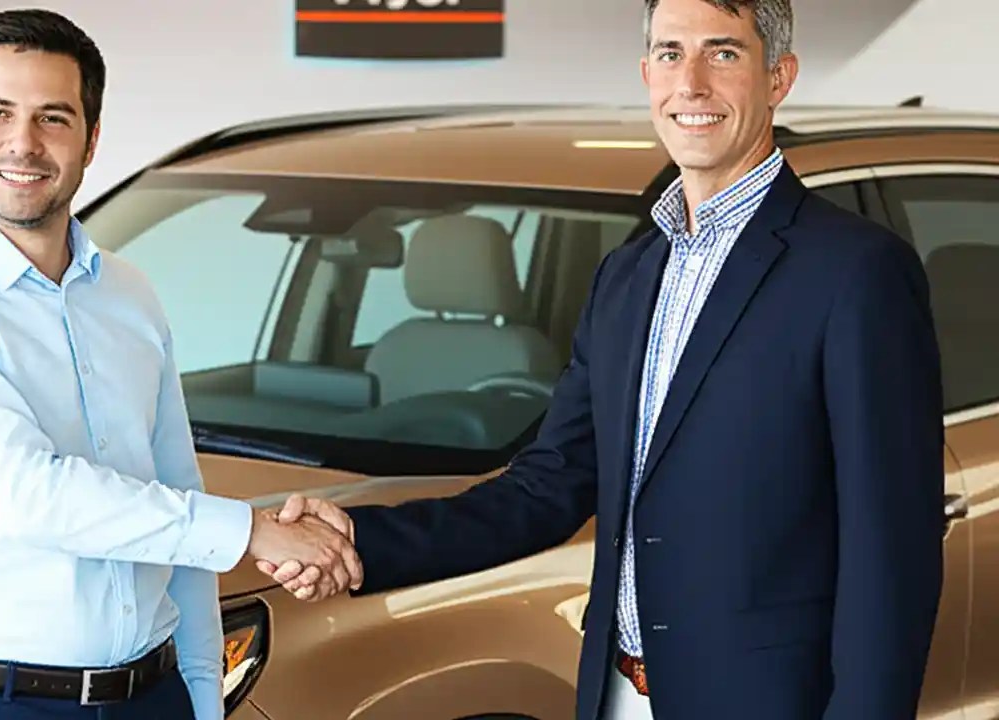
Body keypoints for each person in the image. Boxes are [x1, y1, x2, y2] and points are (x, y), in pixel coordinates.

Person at [259, 0, 945, 718]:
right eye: (671, 54)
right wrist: (362, 537)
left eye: (725, 53)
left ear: (779, 76)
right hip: (617, 693)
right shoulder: (628, 274)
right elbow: (547, 487)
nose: (693, 84)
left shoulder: (855, 273)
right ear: (647, 72)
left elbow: (890, 554)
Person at [0, 9, 359, 720]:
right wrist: (255, 530)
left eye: (53, 118)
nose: (21, 144)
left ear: (91, 140)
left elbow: (176, 489)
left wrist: (203, 696)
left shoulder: (129, 293)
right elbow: (27, 492)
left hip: (151, 697)